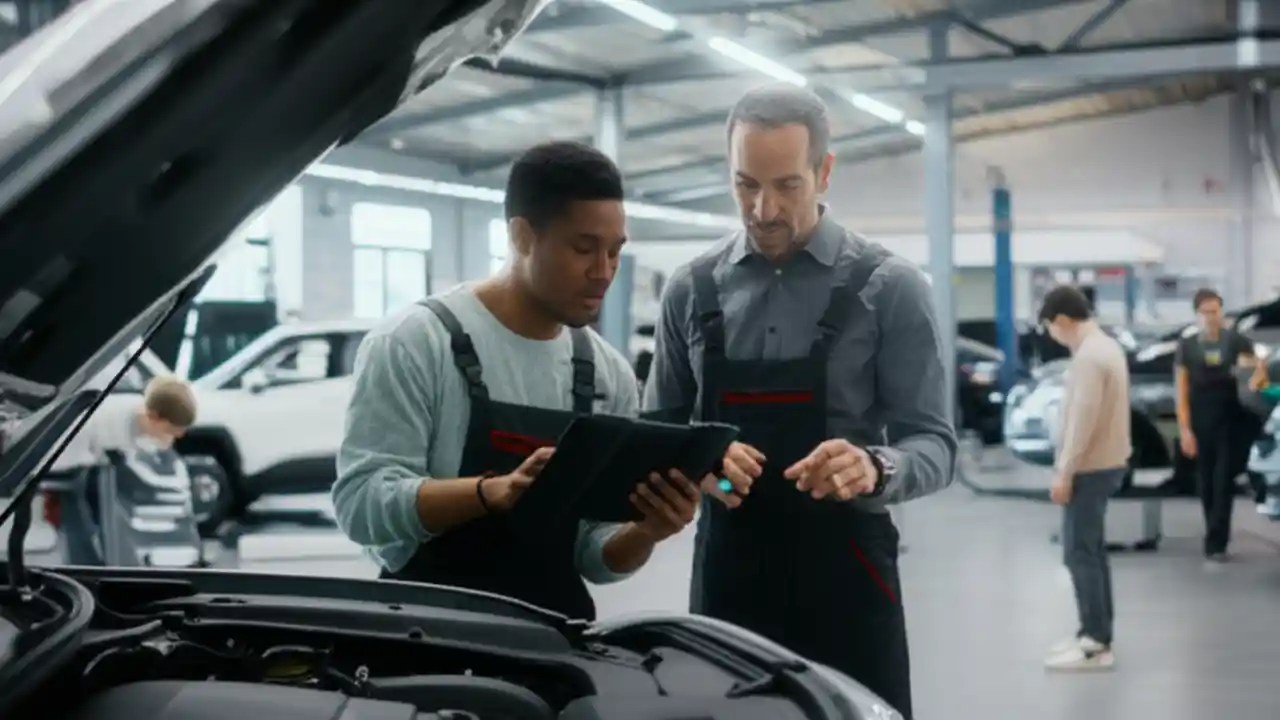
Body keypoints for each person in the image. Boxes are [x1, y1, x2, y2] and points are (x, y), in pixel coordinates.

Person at [642, 83, 956, 719]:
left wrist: (875, 466)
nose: (762, 209)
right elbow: (656, 434)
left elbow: (935, 442)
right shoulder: (689, 290)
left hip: (848, 579)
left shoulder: (890, 287)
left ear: (825, 171)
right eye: (745, 185)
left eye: (786, 185)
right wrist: (698, 461)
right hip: (731, 573)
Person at [333, 141, 700, 621]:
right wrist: (491, 492)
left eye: (614, 252)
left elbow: (595, 555)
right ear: (523, 236)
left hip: (550, 642)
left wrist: (648, 530)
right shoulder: (416, 343)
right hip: (425, 637)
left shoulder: (608, 373)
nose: (603, 272)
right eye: (584, 248)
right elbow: (360, 505)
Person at [1037, 285, 1130, 671]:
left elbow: (1082, 421)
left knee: (1079, 554)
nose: (1052, 336)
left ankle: (1095, 642)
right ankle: (1096, 634)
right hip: (1106, 464)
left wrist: (1065, 471)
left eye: (1050, 328)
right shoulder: (1107, 348)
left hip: (1090, 468)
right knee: (1091, 553)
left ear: (1061, 321)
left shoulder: (1090, 358)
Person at [46, 374, 197, 564]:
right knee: (78, 516)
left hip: (86, 462)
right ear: (154, 417)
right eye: (169, 430)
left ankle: (98, 563)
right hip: (69, 459)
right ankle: (87, 567)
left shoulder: (139, 416)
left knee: (100, 516)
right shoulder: (115, 418)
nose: (172, 437)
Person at [1175, 288, 1269, 562]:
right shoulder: (1188, 347)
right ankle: (1212, 530)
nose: (1211, 317)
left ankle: (1217, 541)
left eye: (1215, 311)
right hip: (1201, 419)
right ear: (1196, 315)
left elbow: (1255, 380)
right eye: (1205, 312)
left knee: (1223, 479)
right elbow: (1180, 391)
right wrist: (1185, 430)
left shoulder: (1237, 342)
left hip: (1231, 420)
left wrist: (1256, 371)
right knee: (1205, 481)